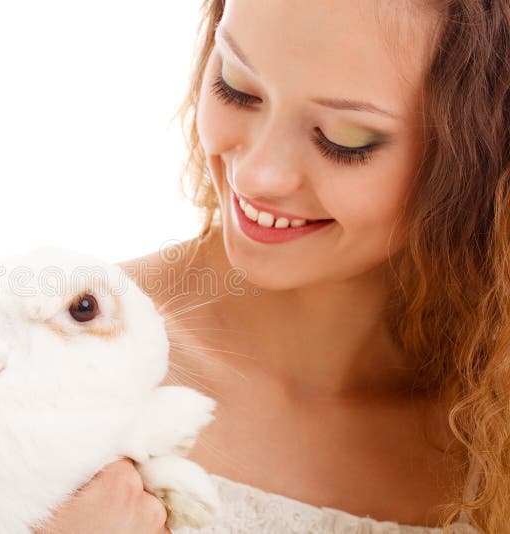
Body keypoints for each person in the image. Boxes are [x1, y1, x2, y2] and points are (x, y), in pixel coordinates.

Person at [34, 0, 510, 532]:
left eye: (344, 139)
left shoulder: (493, 427)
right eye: (236, 86)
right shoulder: (52, 355)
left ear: (482, 158)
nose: (257, 175)